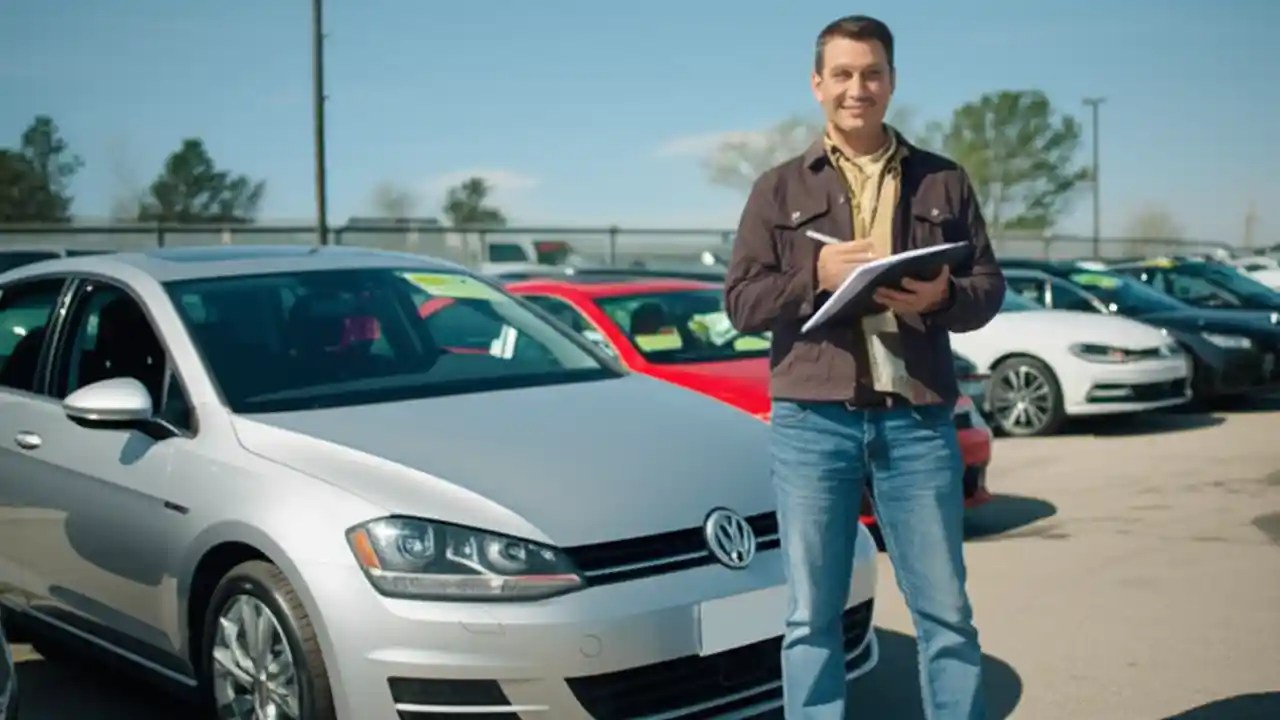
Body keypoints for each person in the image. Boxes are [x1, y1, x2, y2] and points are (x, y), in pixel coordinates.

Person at [722, 14, 1005, 720]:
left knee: (945, 611)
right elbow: (740, 303)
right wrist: (812, 271)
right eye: (842, 75)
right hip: (812, 423)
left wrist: (945, 296)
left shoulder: (943, 180)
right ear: (818, 86)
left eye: (871, 74)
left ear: (892, 82)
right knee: (811, 614)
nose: (858, 89)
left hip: (916, 419)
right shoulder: (777, 189)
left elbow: (988, 287)